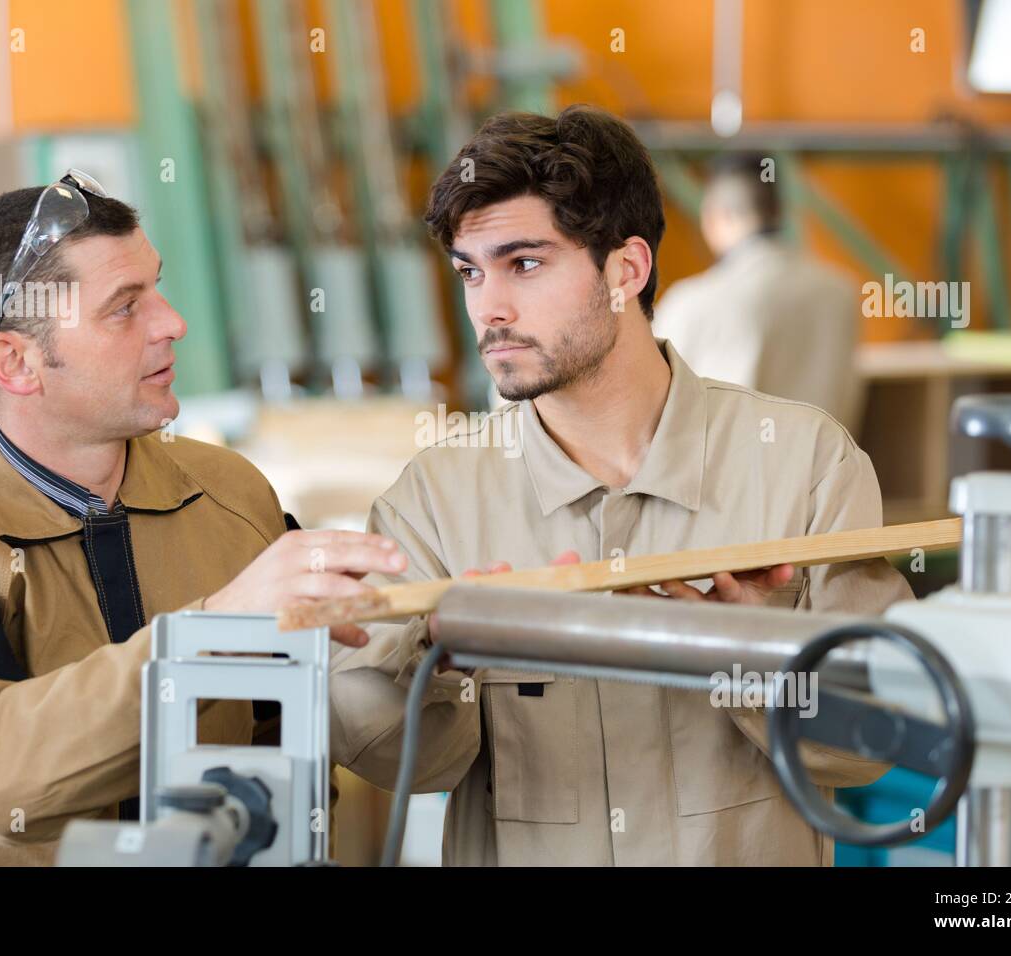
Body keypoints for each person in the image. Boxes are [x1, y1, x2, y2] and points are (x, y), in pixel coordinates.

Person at [325, 108, 914, 866]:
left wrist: (759, 657)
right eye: (471, 271)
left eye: (524, 264)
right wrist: (442, 663)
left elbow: (874, 740)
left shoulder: (805, 464)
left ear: (625, 270)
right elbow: (389, 751)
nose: (487, 308)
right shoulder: (434, 500)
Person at [0, 170, 400, 865]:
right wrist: (211, 636)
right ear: (16, 361)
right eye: (125, 307)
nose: (172, 323)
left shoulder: (232, 495)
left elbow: (296, 739)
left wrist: (428, 647)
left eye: (155, 288)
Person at [652, 153, 864, 434]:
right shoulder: (840, 292)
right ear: (779, 211)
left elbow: (655, 410)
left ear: (717, 216)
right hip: (828, 472)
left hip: (730, 477)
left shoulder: (693, 303)